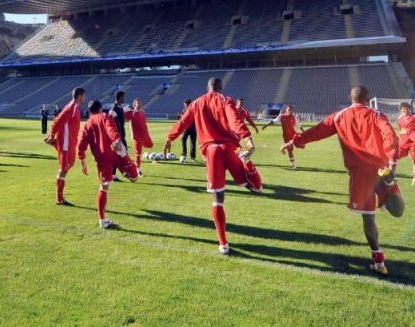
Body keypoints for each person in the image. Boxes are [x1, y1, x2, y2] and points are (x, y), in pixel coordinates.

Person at [282, 87, 405, 276]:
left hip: (359, 173)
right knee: (398, 211)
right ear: (368, 99)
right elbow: (390, 136)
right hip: (380, 168)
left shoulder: (339, 116)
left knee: (368, 217)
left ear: (350, 98)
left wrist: (295, 141)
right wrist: (392, 162)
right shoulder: (376, 114)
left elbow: (319, 130)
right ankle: (389, 184)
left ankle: (379, 260)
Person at [164, 77, 258, 255]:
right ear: (220, 88)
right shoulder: (225, 100)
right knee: (254, 186)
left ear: (207, 87)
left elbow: (182, 122)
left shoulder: (196, 103)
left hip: (211, 152)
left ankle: (223, 243)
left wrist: (170, 138)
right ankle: (250, 173)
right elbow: (235, 120)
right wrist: (247, 137)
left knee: (218, 199)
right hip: (230, 148)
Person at [79, 100, 140, 229]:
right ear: (100, 108)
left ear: (90, 111)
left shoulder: (87, 124)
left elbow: (81, 146)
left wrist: (83, 162)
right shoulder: (105, 116)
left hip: (102, 159)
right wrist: (116, 139)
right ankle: (103, 221)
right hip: (115, 153)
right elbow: (110, 128)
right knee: (134, 178)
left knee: (104, 187)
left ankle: (102, 220)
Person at [46, 87, 85, 206]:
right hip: (66, 144)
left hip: (70, 143)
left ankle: (60, 198)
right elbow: (58, 121)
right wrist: (52, 135)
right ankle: (59, 199)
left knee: (66, 168)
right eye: (84, 96)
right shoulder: (71, 108)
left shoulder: (75, 107)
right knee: (63, 170)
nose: (85, 98)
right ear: (79, 96)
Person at [261, 105, 301, 169]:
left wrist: (304, 132)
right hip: (286, 137)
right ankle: (294, 165)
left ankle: (283, 148)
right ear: (286, 110)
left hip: (293, 135)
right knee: (290, 151)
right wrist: (266, 125)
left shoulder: (294, 117)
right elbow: (273, 121)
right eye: (289, 110)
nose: (290, 111)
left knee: (301, 146)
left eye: (291, 110)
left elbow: (299, 125)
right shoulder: (281, 116)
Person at [395, 102, 415, 184]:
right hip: (403, 142)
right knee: (395, 156)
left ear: (409, 109)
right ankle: (391, 174)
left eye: (407, 108)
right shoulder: (399, 119)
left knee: (414, 160)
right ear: (401, 110)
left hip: (414, 142)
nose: (405, 110)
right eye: (403, 109)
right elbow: (401, 129)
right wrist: (400, 134)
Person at [128, 98, 154, 176]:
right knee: (138, 154)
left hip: (145, 135)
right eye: (138, 103)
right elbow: (120, 113)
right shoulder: (131, 113)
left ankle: (143, 155)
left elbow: (144, 124)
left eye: (140, 103)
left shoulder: (143, 112)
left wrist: (147, 134)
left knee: (150, 145)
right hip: (137, 137)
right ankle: (138, 169)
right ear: (134, 104)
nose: (139, 104)